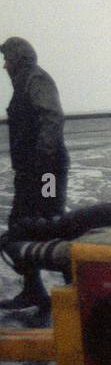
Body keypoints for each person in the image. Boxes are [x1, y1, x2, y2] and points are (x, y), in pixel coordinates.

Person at [2, 37, 69, 316]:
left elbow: (52, 116)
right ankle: (33, 289)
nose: (4, 65)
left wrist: (42, 160)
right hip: (30, 171)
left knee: (52, 223)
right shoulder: (24, 82)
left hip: (46, 171)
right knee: (22, 224)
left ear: (19, 58)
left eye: (7, 59)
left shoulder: (36, 79)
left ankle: (76, 288)